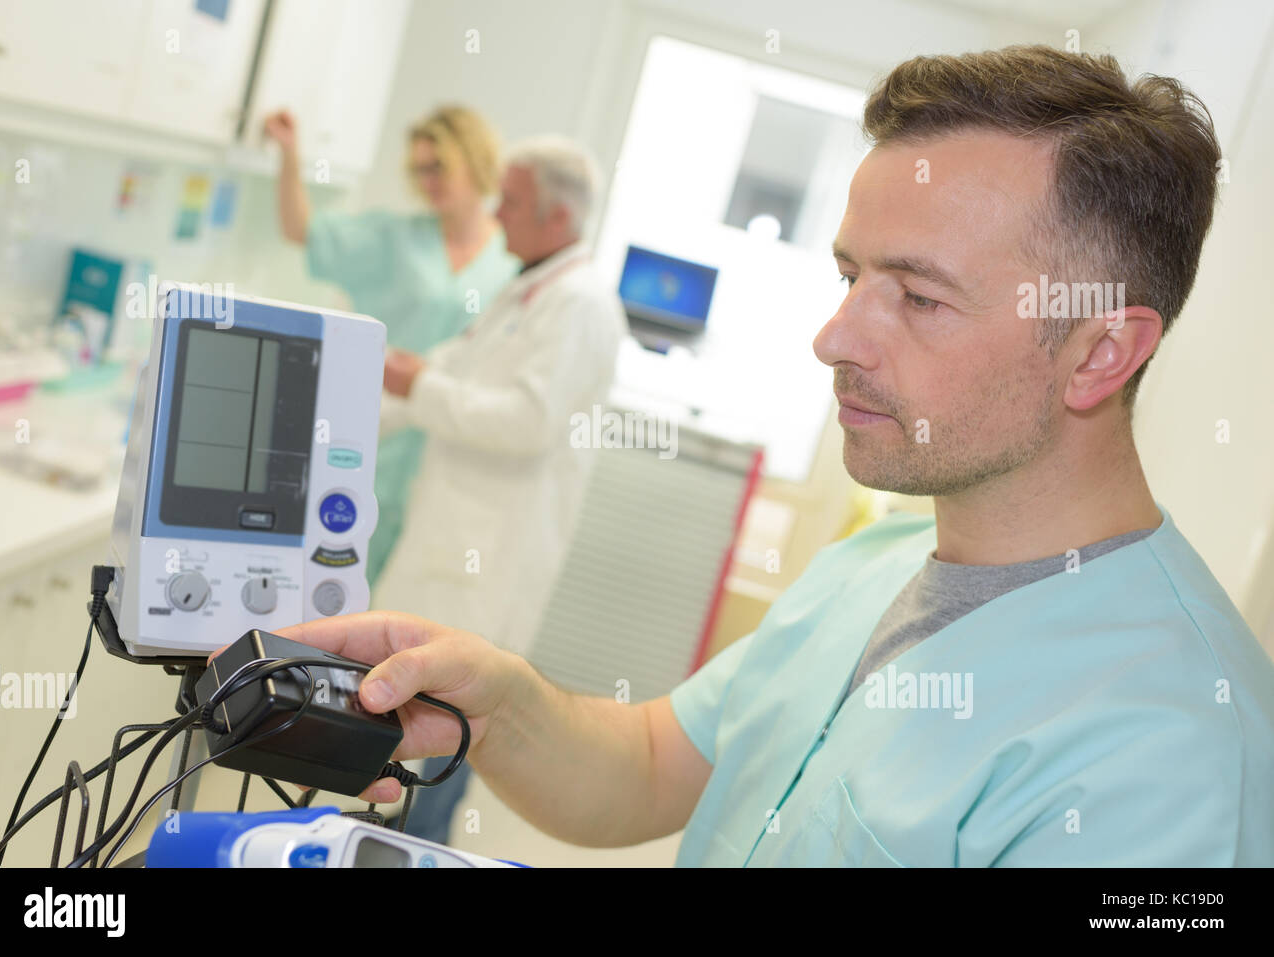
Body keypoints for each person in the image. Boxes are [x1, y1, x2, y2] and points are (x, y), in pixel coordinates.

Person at [270, 47, 1274, 866]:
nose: (834, 337)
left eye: (918, 298)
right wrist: (497, 704)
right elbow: (662, 762)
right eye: (849, 276)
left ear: (1098, 351)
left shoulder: (1175, 760)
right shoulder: (874, 563)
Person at [370, 135, 626, 845]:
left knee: (450, 732)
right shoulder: (529, 286)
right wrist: (358, 414)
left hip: (490, 560)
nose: (494, 210)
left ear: (556, 217)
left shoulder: (581, 304)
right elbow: (449, 369)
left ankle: (419, 854)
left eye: (508, 200)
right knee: (408, 725)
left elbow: (525, 421)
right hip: (448, 544)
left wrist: (417, 384)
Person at [264, 104, 520, 586]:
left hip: (448, 451)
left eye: (439, 166)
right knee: (327, 582)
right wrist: (290, 155)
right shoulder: (395, 239)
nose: (428, 181)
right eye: (419, 170)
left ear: (474, 159)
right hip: (371, 436)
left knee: (408, 600)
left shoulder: (511, 262)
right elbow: (303, 230)